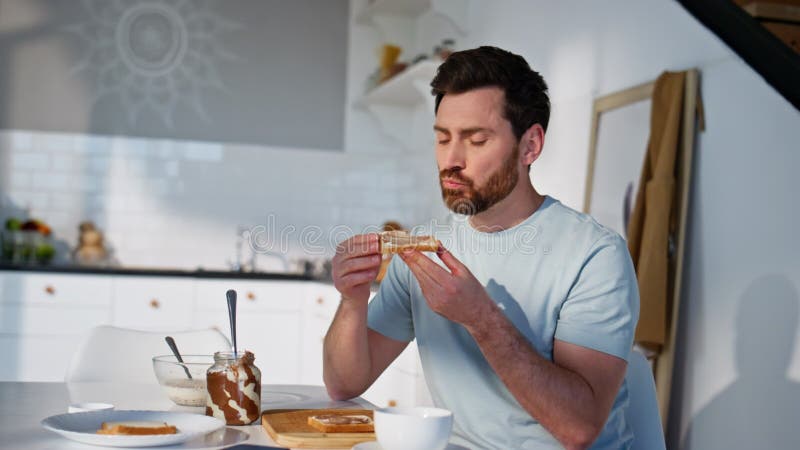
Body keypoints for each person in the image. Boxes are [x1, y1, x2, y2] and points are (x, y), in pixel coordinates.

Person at [323, 46, 639, 449]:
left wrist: (481, 319)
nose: (451, 159)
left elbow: (579, 429)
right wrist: (352, 300)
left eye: (476, 140)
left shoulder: (595, 256)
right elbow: (343, 384)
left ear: (530, 146)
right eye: (443, 138)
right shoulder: (423, 251)